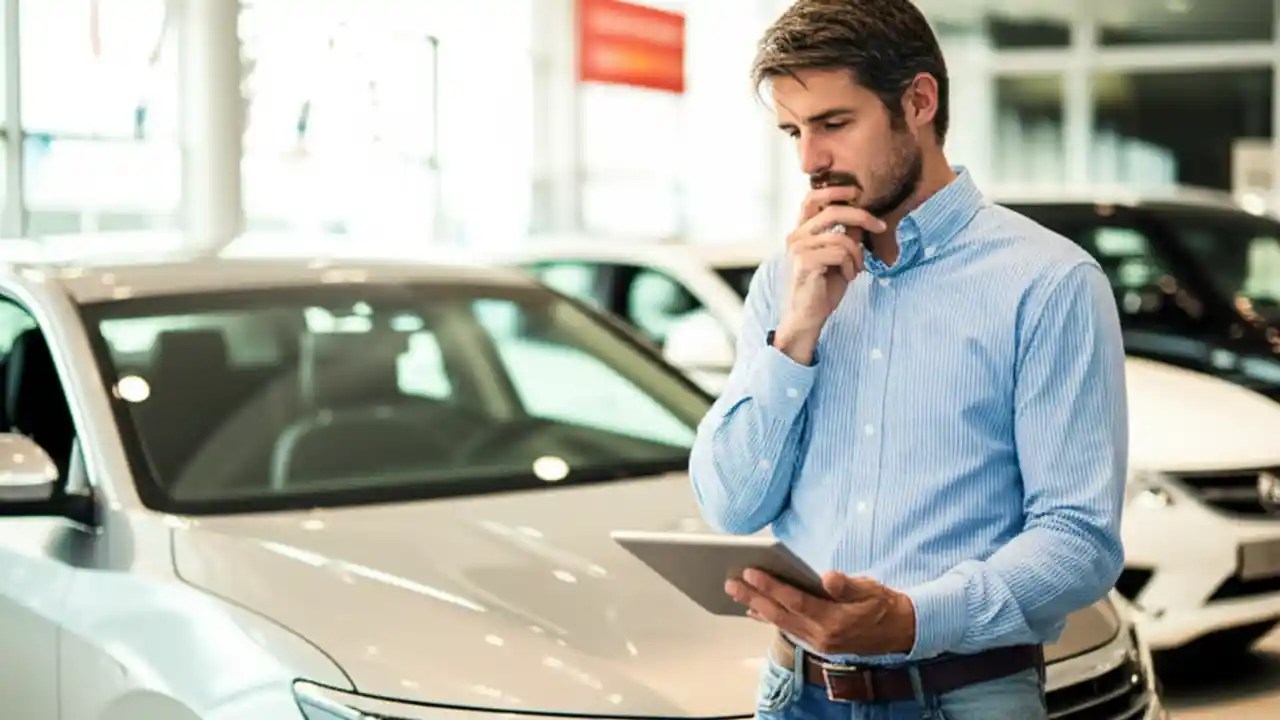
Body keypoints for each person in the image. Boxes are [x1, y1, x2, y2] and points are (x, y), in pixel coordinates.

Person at [686, 1, 1128, 718]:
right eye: (794, 132)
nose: (810, 161)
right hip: (795, 692)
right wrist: (796, 334)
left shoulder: (1049, 283)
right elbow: (731, 504)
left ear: (918, 101)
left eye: (834, 124)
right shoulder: (786, 280)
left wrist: (913, 618)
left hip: (963, 697)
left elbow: (1078, 540)